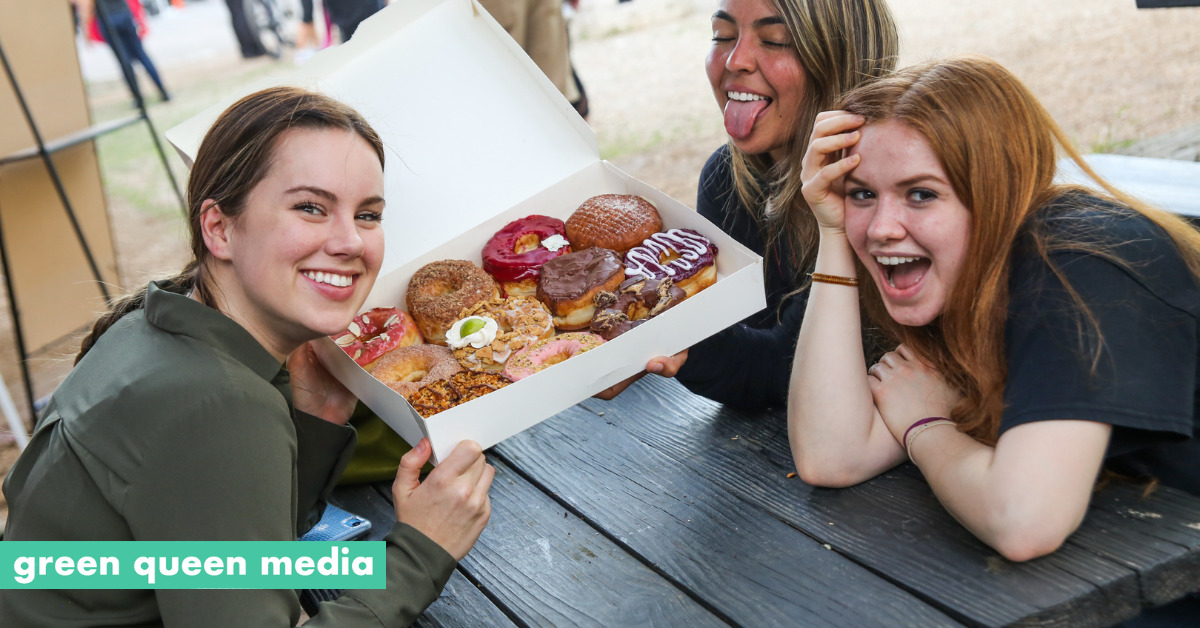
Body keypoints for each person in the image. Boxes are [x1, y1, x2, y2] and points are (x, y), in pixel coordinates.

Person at [0, 86, 494, 626]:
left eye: (369, 214)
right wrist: (422, 550)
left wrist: (312, 425)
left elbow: (213, 551)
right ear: (219, 227)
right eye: (311, 207)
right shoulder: (217, 402)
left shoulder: (151, 323)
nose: (351, 241)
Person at [791, 55, 1200, 621]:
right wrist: (833, 229)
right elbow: (830, 457)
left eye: (921, 194)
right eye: (862, 193)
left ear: (996, 190)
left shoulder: (1083, 264)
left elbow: (1024, 520)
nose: (882, 226)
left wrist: (924, 427)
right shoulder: (961, 272)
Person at [596, 0, 898, 409]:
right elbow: (743, 348)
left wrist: (680, 341)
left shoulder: (881, 196)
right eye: (722, 36)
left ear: (841, 57)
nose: (736, 59)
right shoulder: (727, 178)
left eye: (775, 41)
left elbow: (787, 371)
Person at [77, 0, 171, 105]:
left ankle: (138, 98)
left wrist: (86, 31)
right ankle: (163, 91)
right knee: (141, 55)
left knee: (124, 61)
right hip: (124, 14)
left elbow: (86, 5)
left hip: (108, 20)